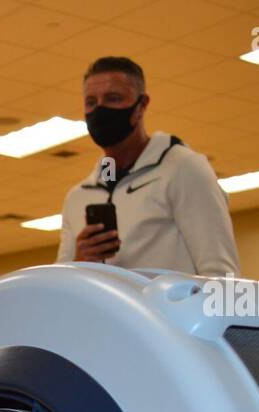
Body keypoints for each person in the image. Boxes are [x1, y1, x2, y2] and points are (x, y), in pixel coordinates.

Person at [57, 56, 240, 277]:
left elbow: (221, 275)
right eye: (91, 102)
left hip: (168, 312)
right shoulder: (78, 197)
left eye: (113, 98)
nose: (100, 109)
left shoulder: (183, 168)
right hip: (105, 311)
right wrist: (80, 261)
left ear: (141, 106)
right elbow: (63, 283)